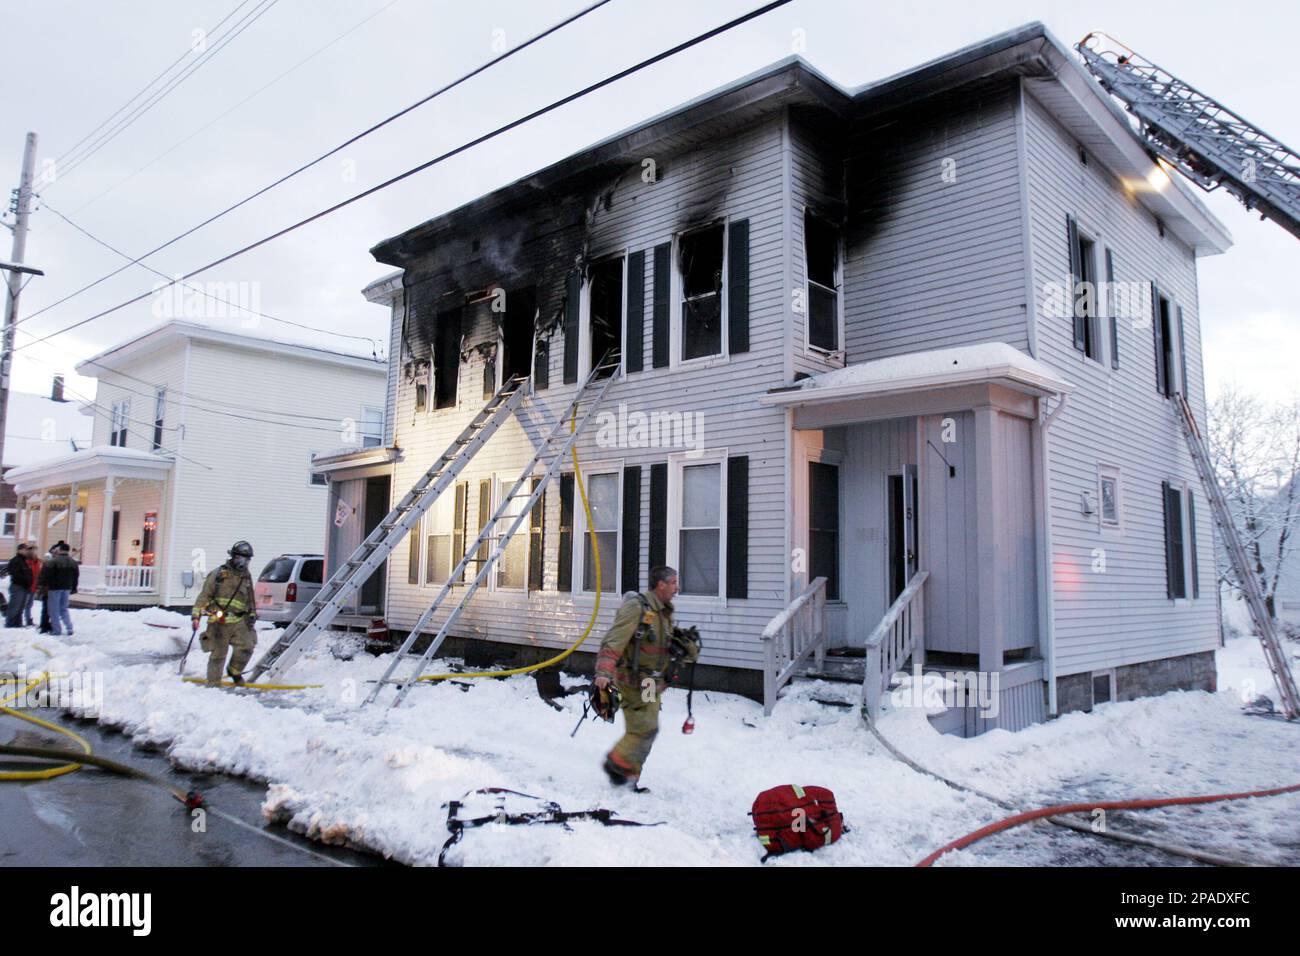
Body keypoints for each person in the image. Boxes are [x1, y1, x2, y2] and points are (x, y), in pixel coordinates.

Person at [593, 565, 698, 789]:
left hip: (650, 683)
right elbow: (614, 640)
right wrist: (603, 672)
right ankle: (616, 765)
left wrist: (683, 646)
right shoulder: (636, 607)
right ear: (661, 585)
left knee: (649, 729)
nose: (677, 588)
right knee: (643, 729)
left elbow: (660, 645)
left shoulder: (664, 612)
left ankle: (630, 776)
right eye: (673, 583)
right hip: (631, 682)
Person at [191, 541, 259, 687]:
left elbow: (250, 597)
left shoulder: (246, 576)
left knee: (247, 646)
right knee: (218, 654)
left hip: (240, 620)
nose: (244, 562)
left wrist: (252, 614)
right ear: (233, 557)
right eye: (241, 558)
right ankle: (213, 685)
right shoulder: (219, 574)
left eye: (247, 559)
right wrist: (196, 616)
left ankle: (234, 670)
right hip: (219, 621)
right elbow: (204, 596)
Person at [38, 543, 79, 637]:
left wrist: (42, 586)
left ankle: (57, 630)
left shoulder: (52, 562)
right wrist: (74, 587)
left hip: (54, 588)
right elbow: (76, 576)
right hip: (67, 588)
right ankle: (69, 628)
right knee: (64, 608)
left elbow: (45, 575)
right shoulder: (73, 562)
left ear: (60, 550)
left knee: (53, 610)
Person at [4, 545, 34, 628]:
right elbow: (15, 574)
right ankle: (10, 622)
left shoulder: (24, 561)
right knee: (15, 605)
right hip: (18, 586)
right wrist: (25, 580)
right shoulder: (15, 561)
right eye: (25, 549)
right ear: (19, 550)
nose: (26, 551)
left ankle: (17, 622)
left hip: (24, 587)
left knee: (21, 606)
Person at [24, 546, 42, 626]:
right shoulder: (27, 561)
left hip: (34, 587)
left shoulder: (37, 562)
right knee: (25, 604)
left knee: (29, 605)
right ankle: (21, 619)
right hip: (27, 587)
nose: (36, 552)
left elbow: (38, 574)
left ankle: (28, 619)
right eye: (34, 551)